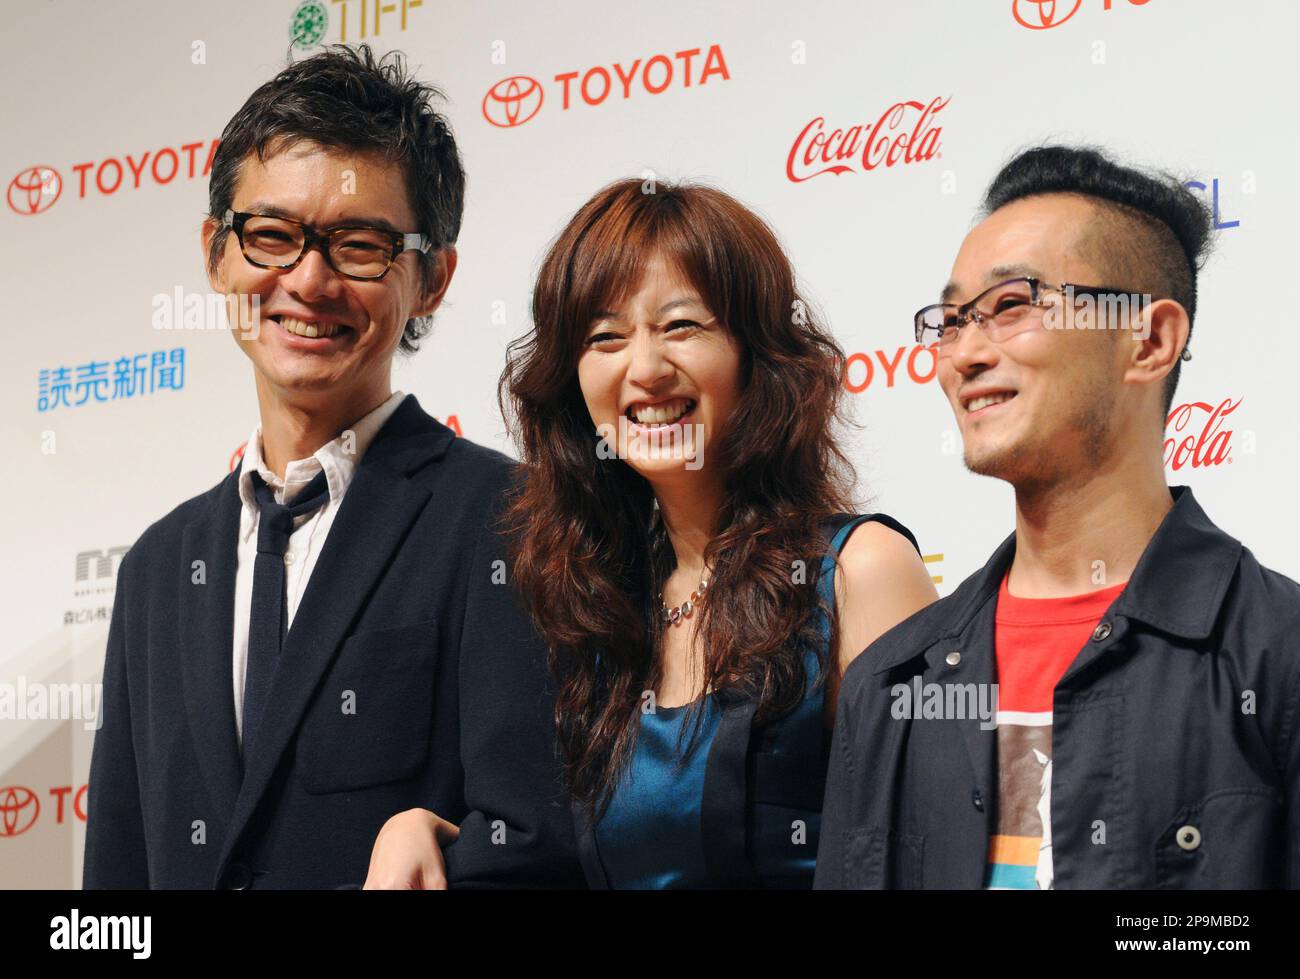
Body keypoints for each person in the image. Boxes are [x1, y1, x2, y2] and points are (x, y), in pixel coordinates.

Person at [84, 44, 582, 889]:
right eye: (271, 235)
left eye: (359, 245)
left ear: (431, 277)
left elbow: (540, 840)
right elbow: (117, 883)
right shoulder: (156, 570)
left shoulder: (510, 518)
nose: (308, 281)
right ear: (216, 253)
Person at [366, 178, 937, 888]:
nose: (643, 367)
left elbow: (930, 857)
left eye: (681, 325)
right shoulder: (595, 610)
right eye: (604, 336)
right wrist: (418, 826)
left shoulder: (858, 572)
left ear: (756, 354)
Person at [816, 145, 1300, 889]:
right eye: (949, 321)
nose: (964, 353)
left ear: (1149, 339)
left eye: (1011, 306)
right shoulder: (891, 679)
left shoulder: (1278, 654)